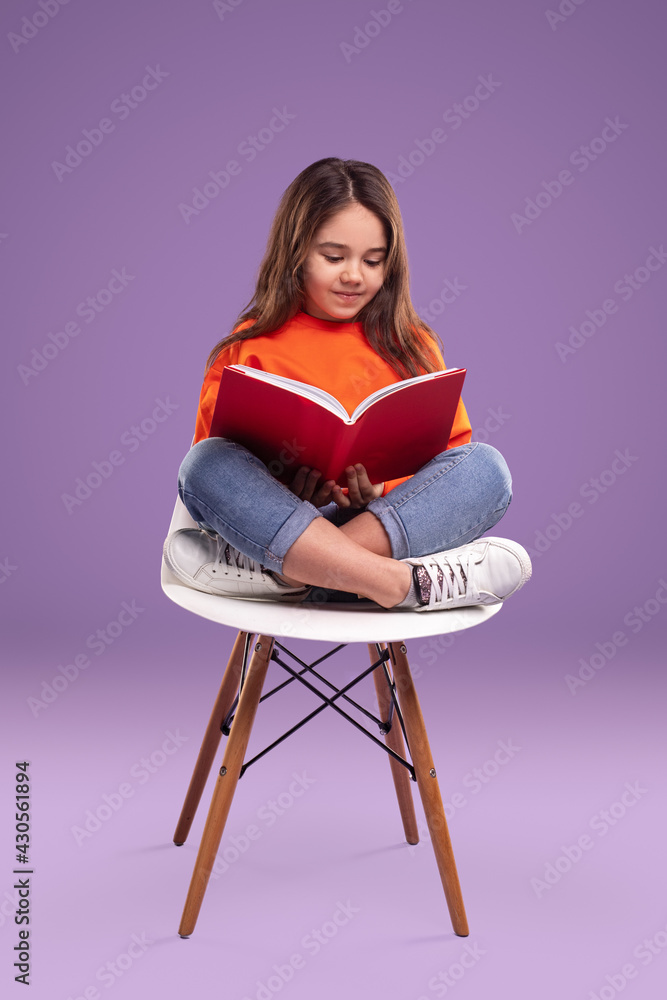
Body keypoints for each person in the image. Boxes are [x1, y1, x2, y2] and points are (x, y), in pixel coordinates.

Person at [164, 157, 531, 611]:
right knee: (203, 465)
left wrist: (382, 490)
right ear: (296, 253)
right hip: (281, 523)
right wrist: (286, 493)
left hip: (383, 525)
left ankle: (290, 574)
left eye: (373, 261)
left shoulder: (412, 345)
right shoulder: (248, 346)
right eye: (334, 257)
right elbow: (219, 479)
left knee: (487, 470)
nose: (354, 275)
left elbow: (449, 464)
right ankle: (403, 585)